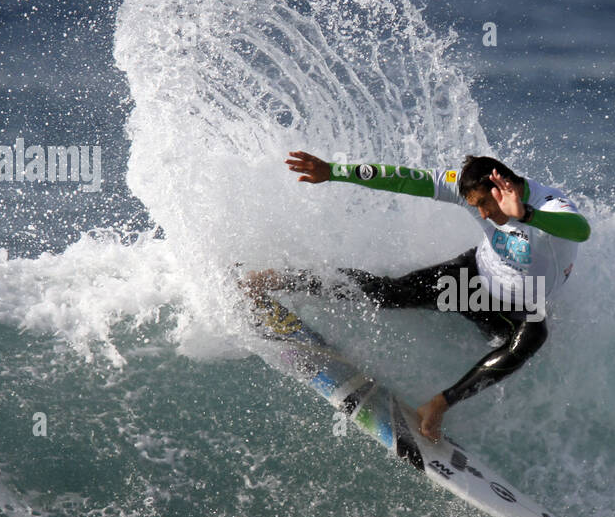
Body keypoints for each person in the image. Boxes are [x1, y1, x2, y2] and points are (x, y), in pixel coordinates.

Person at [243, 151, 590, 441]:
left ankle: (439, 402)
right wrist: (334, 171)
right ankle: (282, 279)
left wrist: (526, 215)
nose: (483, 214)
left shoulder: (549, 206)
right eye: (476, 206)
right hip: (472, 279)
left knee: (530, 336)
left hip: (518, 304)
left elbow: (581, 230)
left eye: (486, 204)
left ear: (506, 186)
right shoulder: (468, 187)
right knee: (388, 292)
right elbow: (406, 179)